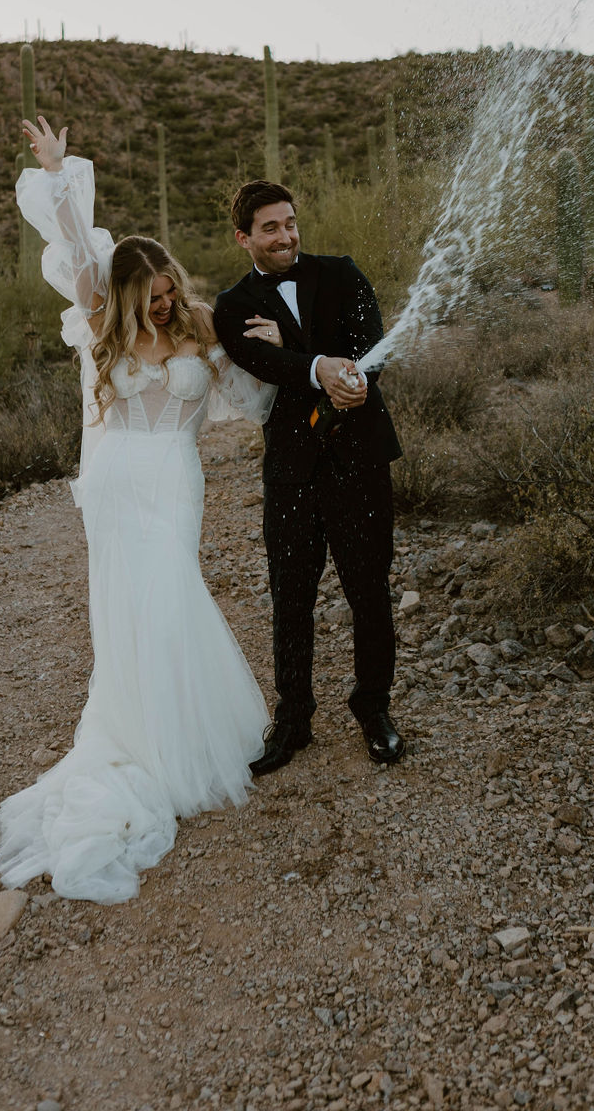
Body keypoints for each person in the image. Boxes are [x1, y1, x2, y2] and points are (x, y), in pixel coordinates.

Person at [0, 118, 281, 904]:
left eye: (168, 292)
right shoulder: (100, 318)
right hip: (116, 482)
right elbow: (76, 246)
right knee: (128, 608)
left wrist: (267, 342)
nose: (162, 305)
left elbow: (251, 397)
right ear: (124, 295)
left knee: (170, 596)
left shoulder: (199, 324)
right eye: (149, 298)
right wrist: (58, 175)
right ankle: (143, 738)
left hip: (174, 481)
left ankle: (178, 734)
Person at [213, 179, 406, 777]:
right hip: (293, 472)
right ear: (244, 238)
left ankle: (373, 709)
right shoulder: (232, 306)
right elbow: (260, 361)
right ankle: (293, 718)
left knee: (369, 591)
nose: (286, 236)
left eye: (290, 223)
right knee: (290, 597)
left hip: (360, 461)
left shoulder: (343, 273)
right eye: (270, 228)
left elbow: (372, 347)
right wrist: (315, 361)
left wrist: (324, 364)